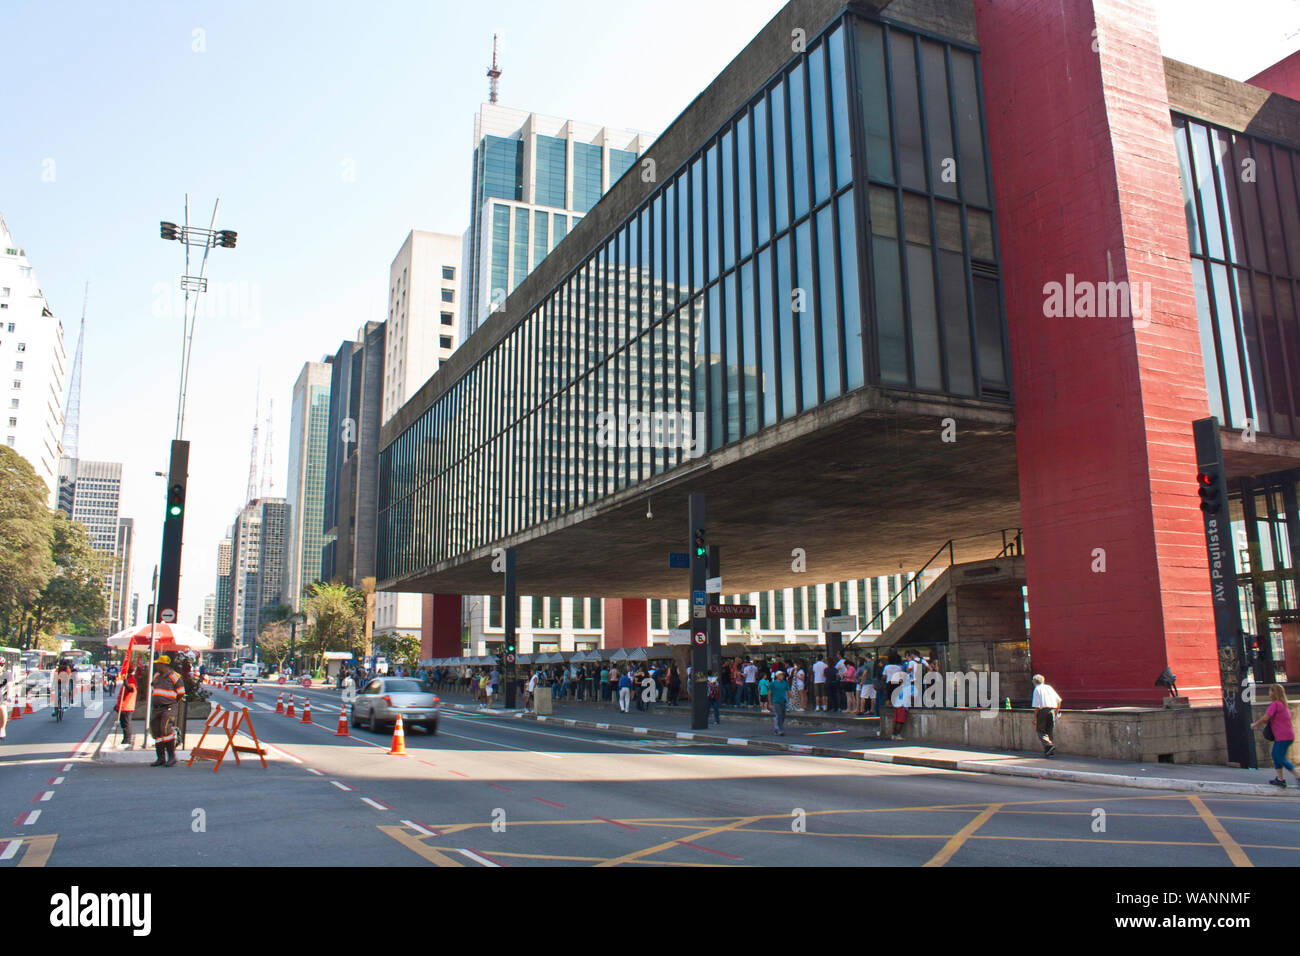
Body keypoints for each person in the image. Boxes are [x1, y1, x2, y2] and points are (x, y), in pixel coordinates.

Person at [1251, 685, 1298, 788]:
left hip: (1283, 736)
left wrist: (1254, 724)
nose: (1269, 693)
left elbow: (1265, 718)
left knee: (1279, 758)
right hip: (1287, 736)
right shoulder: (1283, 704)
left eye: (1270, 691)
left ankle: (1297, 776)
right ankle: (1280, 779)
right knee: (1275, 755)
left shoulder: (1275, 704)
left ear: (1274, 693)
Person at [149, 655, 185, 767]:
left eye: (159, 664)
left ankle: (172, 756)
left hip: (168, 707)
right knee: (156, 732)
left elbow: (181, 693)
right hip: (157, 708)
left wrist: (171, 701)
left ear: (164, 665)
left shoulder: (175, 676)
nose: (157, 665)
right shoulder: (157, 676)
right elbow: (153, 687)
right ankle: (160, 758)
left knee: (166, 730)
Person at [1031, 674, 1062, 757]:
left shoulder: (1037, 689)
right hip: (1052, 710)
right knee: (1049, 731)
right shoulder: (1049, 687)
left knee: (1040, 730)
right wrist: (1056, 712)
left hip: (1043, 711)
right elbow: (1059, 700)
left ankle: (1049, 745)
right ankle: (1049, 752)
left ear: (1034, 682)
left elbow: (1037, 706)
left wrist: (1034, 718)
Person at [114, 669, 138, 749]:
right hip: (123, 706)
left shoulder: (131, 680)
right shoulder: (128, 679)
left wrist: (126, 683)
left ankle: (127, 740)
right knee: (123, 724)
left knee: (126, 724)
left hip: (127, 706)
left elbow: (131, 689)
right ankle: (125, 739)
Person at [770, 670, 790, 735]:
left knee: (783, 715)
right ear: (777, 676)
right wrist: (770, 703)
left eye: (783, 675)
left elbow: (788, 691)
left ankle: (780, 727)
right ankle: (778, 729)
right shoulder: (773, 683)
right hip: (775, 701)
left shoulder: (785, 683)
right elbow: (769, 692)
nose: (782, 676)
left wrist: (792, 699)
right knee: (778, 714)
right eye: (780, 675)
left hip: (783, 701)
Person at [0, 658, 11, 740]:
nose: (0, 667)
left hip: (2, 695)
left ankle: (2, 729)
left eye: (1, 665)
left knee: (2, 708)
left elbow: (9, 686)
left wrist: (8, 698)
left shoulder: (6, 674)